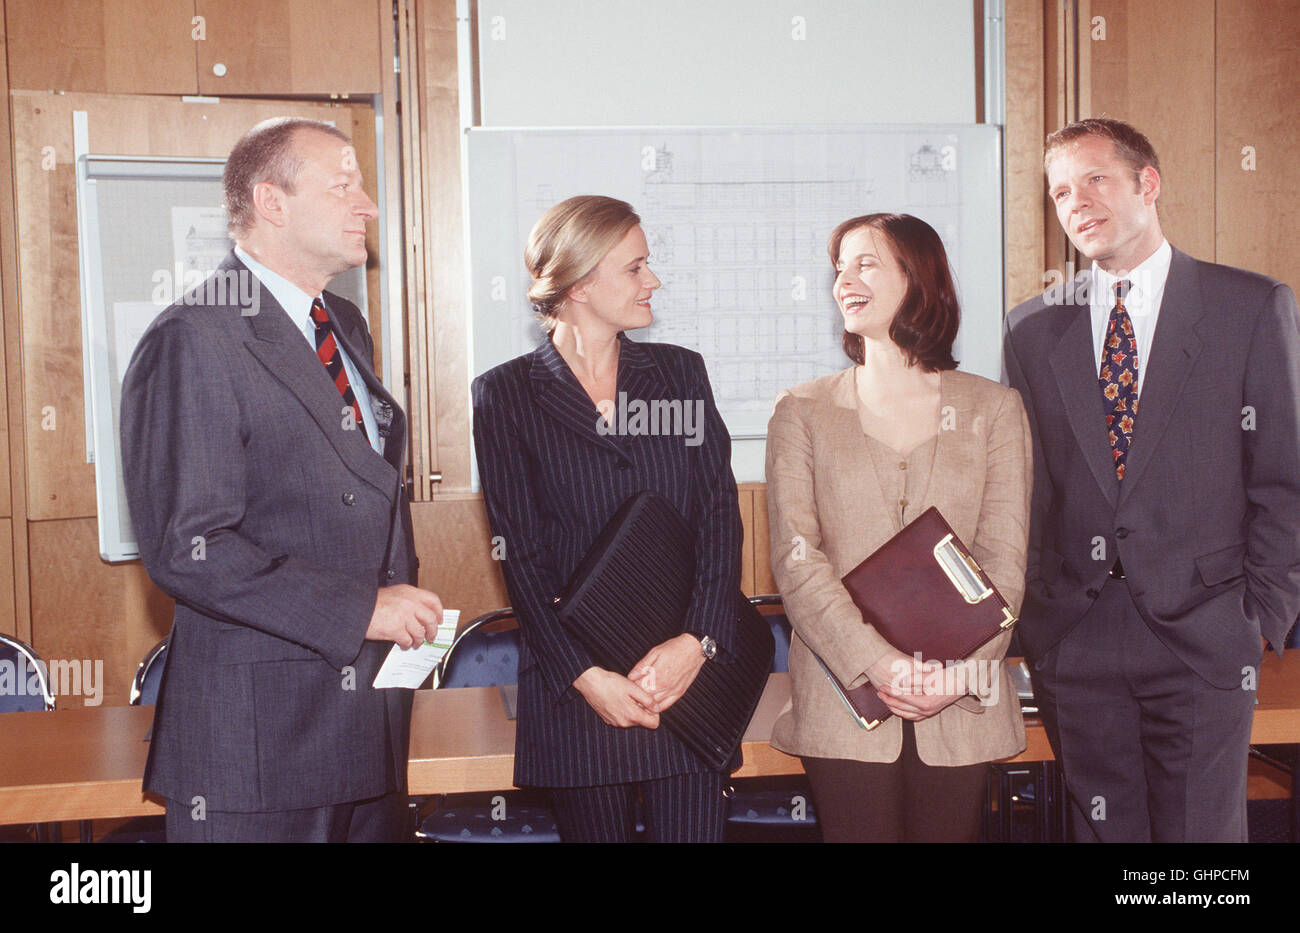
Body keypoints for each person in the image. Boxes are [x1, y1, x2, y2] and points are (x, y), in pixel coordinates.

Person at [121, 117, 444, 842]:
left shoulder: (345, 324)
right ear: (271, 202)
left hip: (367, 734)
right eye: (344, 185)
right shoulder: (194, 338)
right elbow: (188, 545)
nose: (366, 204)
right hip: (260, 749)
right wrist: (362, 608)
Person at [1004, 118, 1300, 842]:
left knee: (1199, 847)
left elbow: (1283, 478)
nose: (1077, 202)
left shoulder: (1250, 306)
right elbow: (1029, 492)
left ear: (1150, 183)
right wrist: (1041, 629)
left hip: (1207, 632)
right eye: (1061, 191)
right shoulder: (1034, 328)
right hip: (1076, 639)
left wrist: (1261, 616)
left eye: (1096, 179)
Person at [471, 195, 743, 842]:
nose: (653, 281)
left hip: (685, 680)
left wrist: (696, 642)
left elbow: (718, 517)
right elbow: (520, 554)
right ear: (582, 283)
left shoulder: (679, 374)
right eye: (635, 267)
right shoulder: (505, 394)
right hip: (579, 688)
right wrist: (585, 677)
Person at [766, 212, 1030, 843]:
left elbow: (1005, 559)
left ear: (919, 278)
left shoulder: (993, 408)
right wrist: (878, 664)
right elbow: (799, 563)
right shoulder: (801, 411)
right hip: (842, 701)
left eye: (866, 263)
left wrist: (953, 676)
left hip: (962, 701)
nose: (844, 281)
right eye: (838, 269)